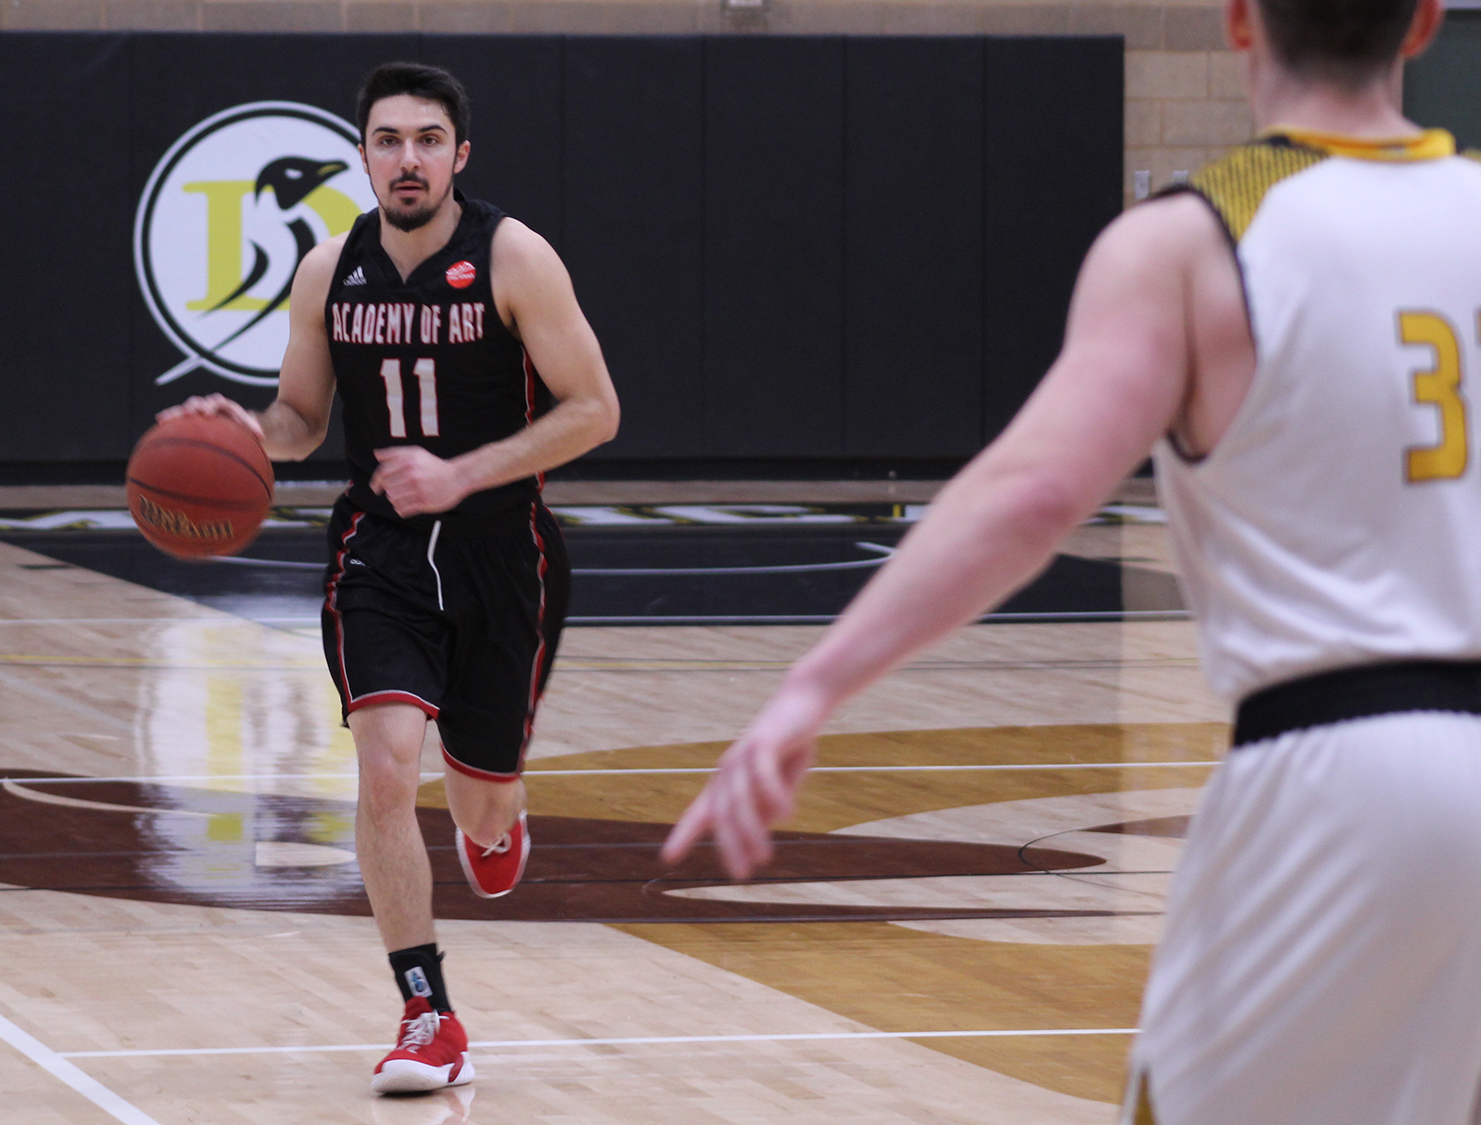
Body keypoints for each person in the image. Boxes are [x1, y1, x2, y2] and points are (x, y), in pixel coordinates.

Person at [663, 0, 1481, 1119]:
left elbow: (1036, 491)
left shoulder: (1198, 236)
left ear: (1238, 20)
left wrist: (812, 686)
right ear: (1425, 24)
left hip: (1337, 769)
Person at [162, 62, 620, 1095]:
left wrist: (458, 472)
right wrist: (238, 431)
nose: (404, 159)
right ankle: (427, 1012)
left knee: (481, 804)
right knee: (380, 771)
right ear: (361, 154)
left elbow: (594, 409)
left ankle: (495, 820)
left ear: (458, 156)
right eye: (385, 139)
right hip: (376, 556)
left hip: (503, 555)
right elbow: (301, 420)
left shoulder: (512, 257)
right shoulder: (330, 269)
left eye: (425, 140)